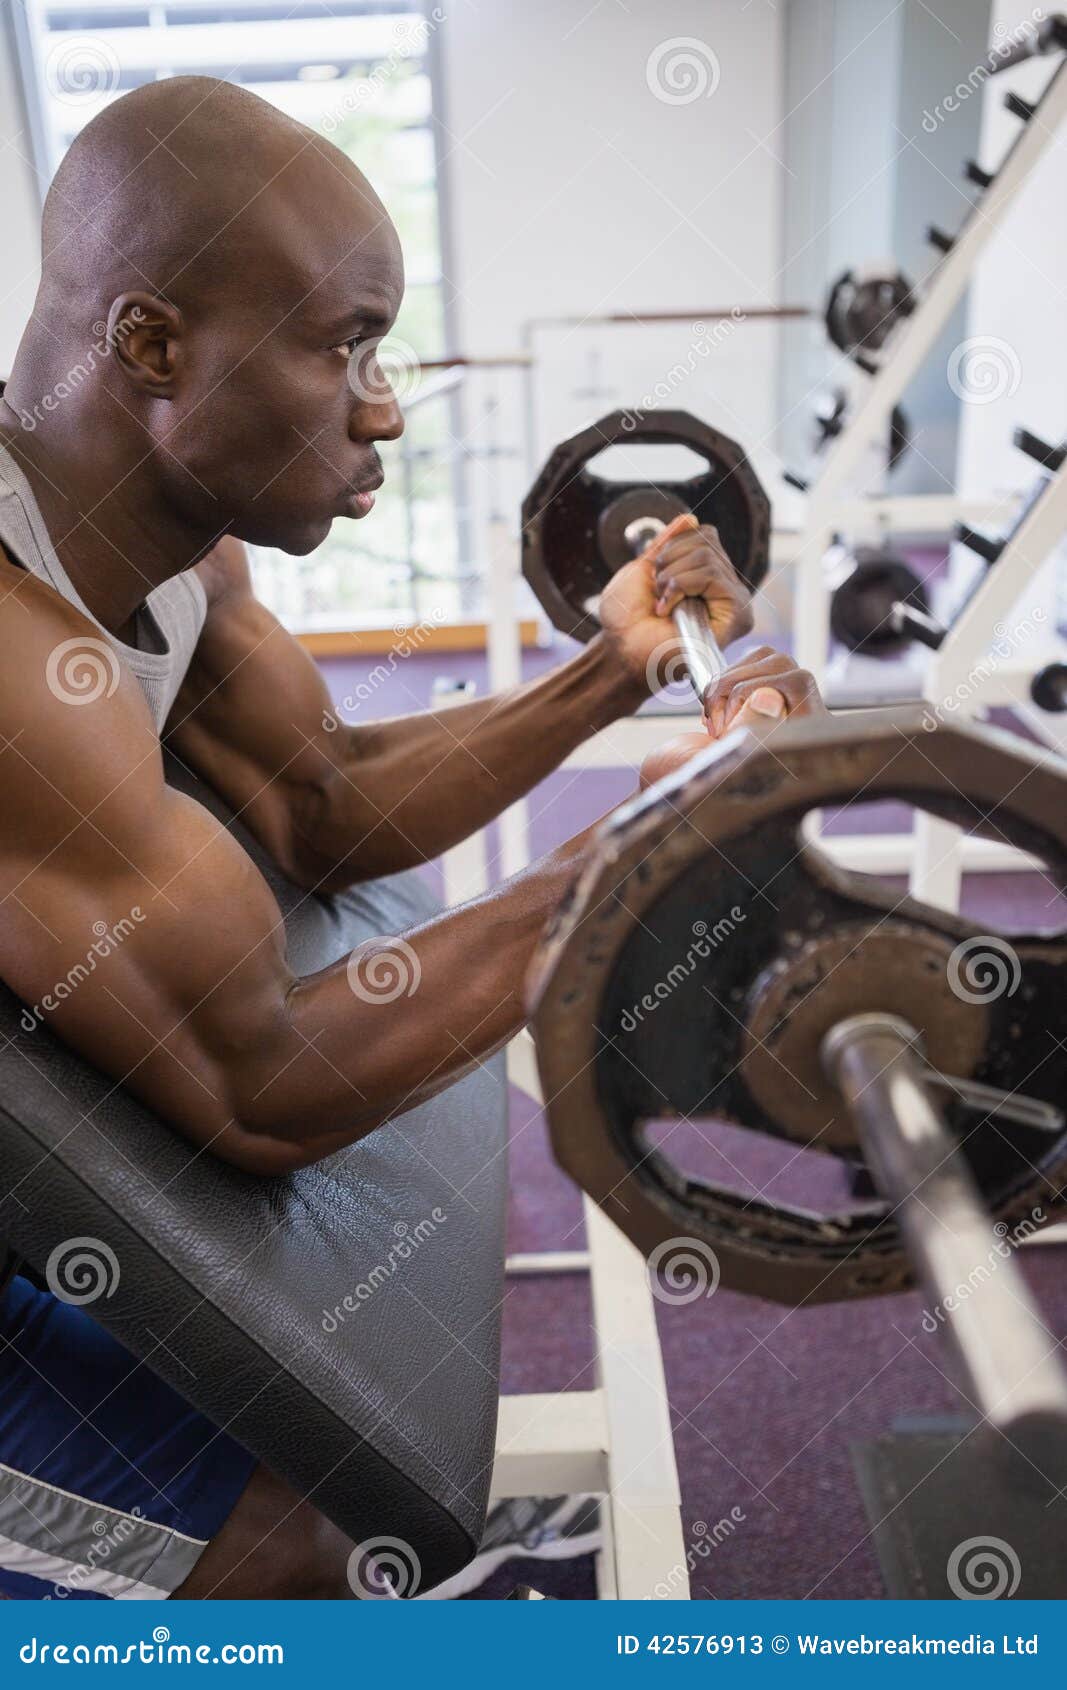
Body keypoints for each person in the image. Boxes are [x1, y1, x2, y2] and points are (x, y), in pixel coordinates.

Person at [0, 76, 822, 1599]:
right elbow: (262, 1080)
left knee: (289, 1499)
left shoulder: (178, 559)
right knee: (286, 1557)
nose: (382, 408)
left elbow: (323, 806)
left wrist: (611, 665)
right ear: (153, 344)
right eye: (343, 348)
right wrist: (689, 829)